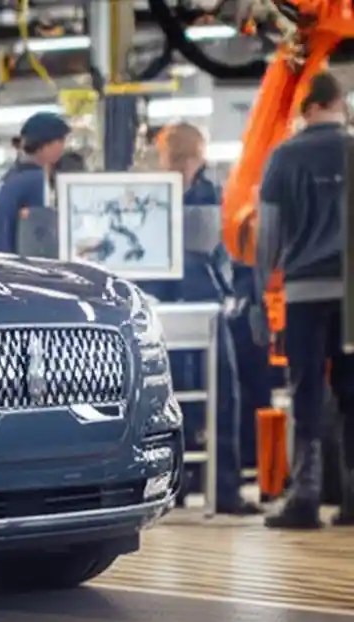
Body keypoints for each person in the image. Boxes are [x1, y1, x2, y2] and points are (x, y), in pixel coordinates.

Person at [140, 123, 259, 515]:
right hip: (181, 308)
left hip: (201, 308)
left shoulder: (203, 195)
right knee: (179, 401)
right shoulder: (173, 196)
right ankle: (179, 485)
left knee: (218, 398)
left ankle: (221, 487)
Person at [256, 70, 354, 529]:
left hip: (304, 294)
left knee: (306, 392)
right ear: (338, 103)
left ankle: (306, 497)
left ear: (308, 106)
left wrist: (262, 289)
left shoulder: (284, 157)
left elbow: (268, 234)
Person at [0, 112, 70, 254]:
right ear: (46, 144)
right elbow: (40, 232)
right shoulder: (34, 179)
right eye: (61, 141)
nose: (63, 147)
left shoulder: (15, 176)